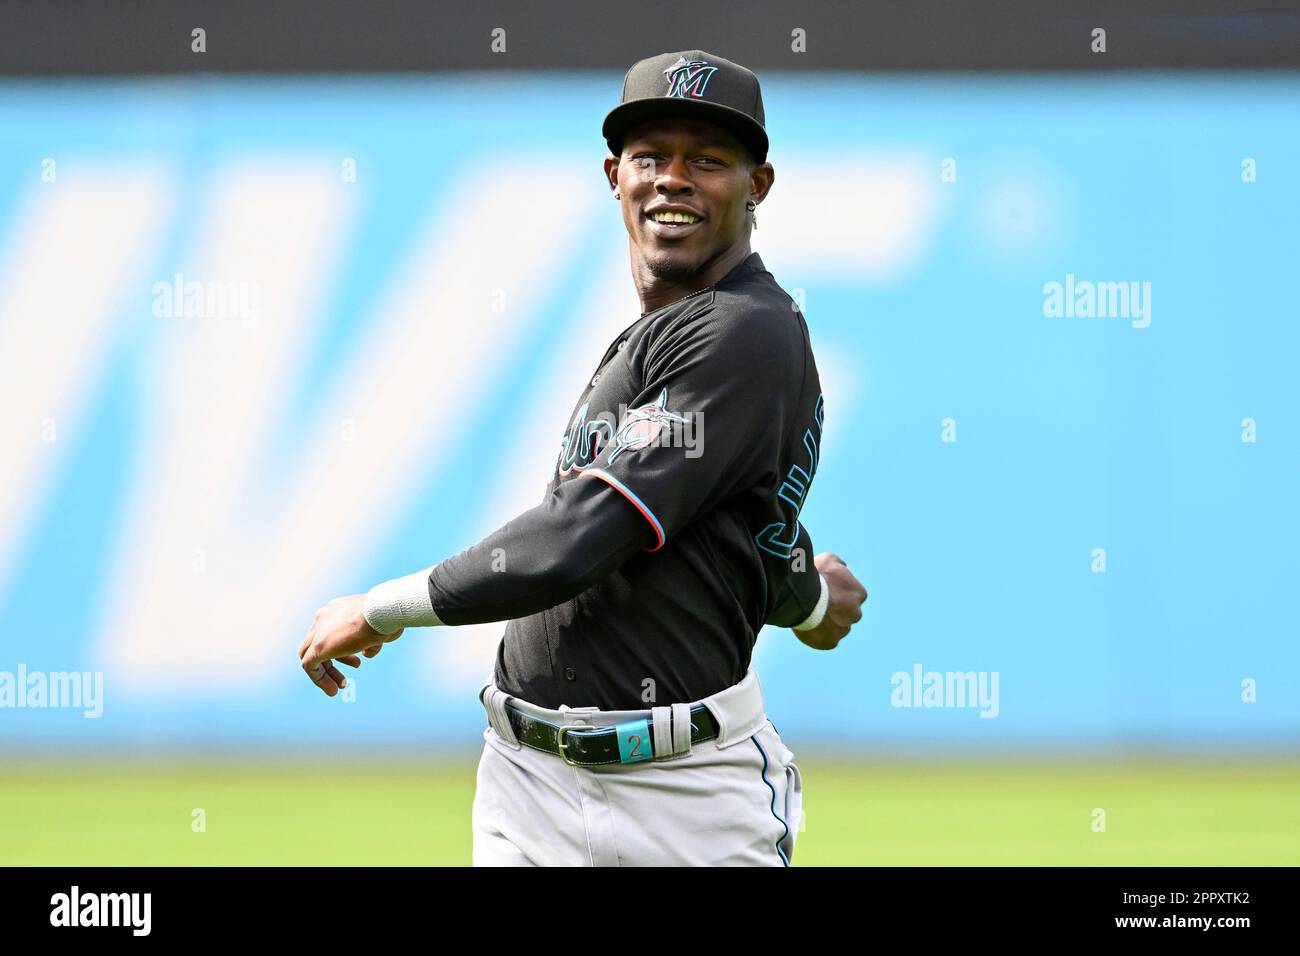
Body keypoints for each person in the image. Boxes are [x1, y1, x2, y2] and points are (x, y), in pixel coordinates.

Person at [298, 49, 869, 866]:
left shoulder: (745, 331)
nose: (673, 178)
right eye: (650, 157)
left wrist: (381, 607)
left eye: (707, 160)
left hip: (683, 799)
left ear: (759, 185)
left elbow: (581, 536)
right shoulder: (676, 330)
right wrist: (809, 597)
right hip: (526, 786)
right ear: (614, 175)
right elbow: (728, 528)